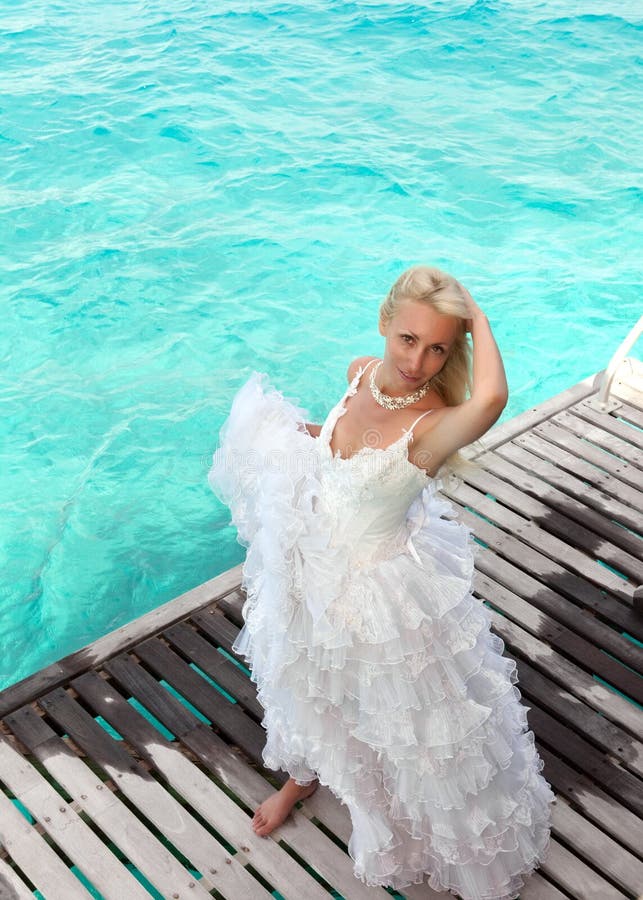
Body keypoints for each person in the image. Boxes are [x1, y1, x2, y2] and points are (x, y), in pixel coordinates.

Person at [208, 265, 554, 900]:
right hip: (314, 566)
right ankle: (306, 776)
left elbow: (491, 400)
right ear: (385, 325)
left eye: (439, 348)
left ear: (456, 350)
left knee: (412, 726)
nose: (417, 362)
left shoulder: (430, 426)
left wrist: (476, 315)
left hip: (377, 593)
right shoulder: (362, 371)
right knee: (312, 687)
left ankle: (450, 840)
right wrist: (303, 438)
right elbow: (335, 449)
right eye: (408, 339)